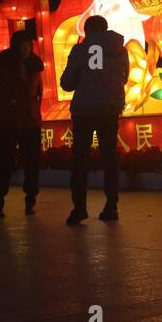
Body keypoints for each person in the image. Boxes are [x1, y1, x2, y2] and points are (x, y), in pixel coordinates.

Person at [59, 15, 128, 225]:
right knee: (109, 159)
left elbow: (67, 83)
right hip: (109, 109)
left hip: (85, 111)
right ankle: (111, 207)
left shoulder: (81, 50)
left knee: (80, 160)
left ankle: (79, 208)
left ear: (87, 32)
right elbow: (124, 77)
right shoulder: (120, 50)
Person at [0, 28, 45, 218]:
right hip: (8, 121)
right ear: (15, 46)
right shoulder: (3, 64)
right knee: (5, 163)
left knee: (32, 163)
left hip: (30, 122)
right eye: (21, 45)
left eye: (28, 45)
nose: (25, 49)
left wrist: (36, 111)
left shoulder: (35, 64)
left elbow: (39, 91)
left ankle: (30, 199)